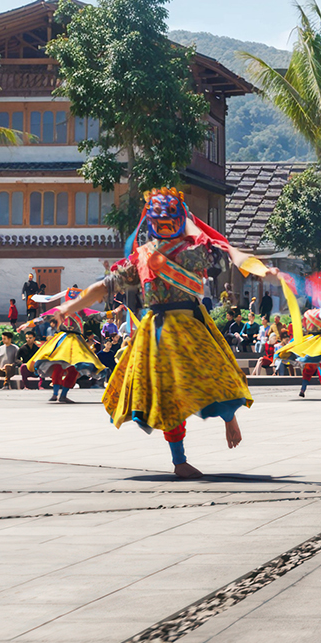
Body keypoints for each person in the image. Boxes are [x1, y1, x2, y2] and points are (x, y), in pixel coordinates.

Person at [50, 188, 261, 478]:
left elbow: (104, 287)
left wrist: (69, 308)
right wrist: (69, 307)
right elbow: (104, 287)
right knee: (170, 393)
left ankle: (226, 419)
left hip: (180, 325)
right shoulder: (157, 256)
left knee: (212, 376)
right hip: (161, 331)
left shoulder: (188, 252)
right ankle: (182, 458)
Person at [24, 289, 100, 403]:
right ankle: (55, 394)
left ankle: (63, 395)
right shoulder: (60, 310)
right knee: (57, 366)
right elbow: (43, 318)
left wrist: (115, 311)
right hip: (62, 340)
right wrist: (28, 324)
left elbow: (98, 315)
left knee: (74, 369)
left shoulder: (82, 311)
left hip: (76, 342)